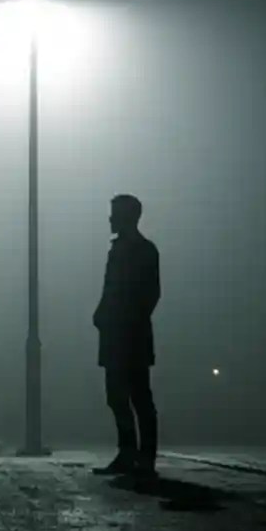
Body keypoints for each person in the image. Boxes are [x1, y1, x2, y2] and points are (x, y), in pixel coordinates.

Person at [92, 194, 161, 476]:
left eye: (114, 214)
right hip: (119, 333)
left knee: (137, 396)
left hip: (128, 335)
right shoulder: (125, 249)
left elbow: (150, 294)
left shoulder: (142, 250)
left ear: (127, 216)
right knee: (119, 396)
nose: (110, 219)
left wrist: (122, 318)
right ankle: (130, 453)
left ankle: (142, 457)